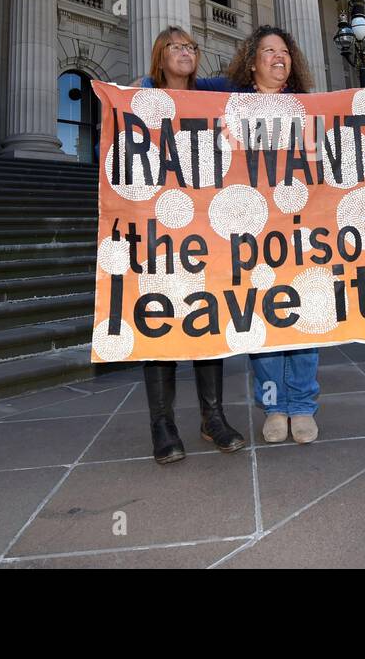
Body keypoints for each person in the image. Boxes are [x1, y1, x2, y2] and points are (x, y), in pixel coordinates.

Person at [134, 27, 246, 464]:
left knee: (205, 321)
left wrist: (363, 99)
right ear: (160, 57)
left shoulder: (212, 91)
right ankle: (162, 425)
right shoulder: (141, 96)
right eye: (177, 47)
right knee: (160, 323)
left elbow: (259, 89)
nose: (186, 52)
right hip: (159, 227)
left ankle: (212, 418)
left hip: (206, 226)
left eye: (191, 47)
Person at [222, 26, 323, 445]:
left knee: (303, 312)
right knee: (261, 316)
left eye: (284, 51)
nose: (278, 57)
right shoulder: (232, 109)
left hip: (299, 226)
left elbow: (320, 161)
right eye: (268, 51)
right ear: (252, 62)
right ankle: (273, 406)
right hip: (253, 228)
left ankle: (302, 405)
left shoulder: (307, 109)